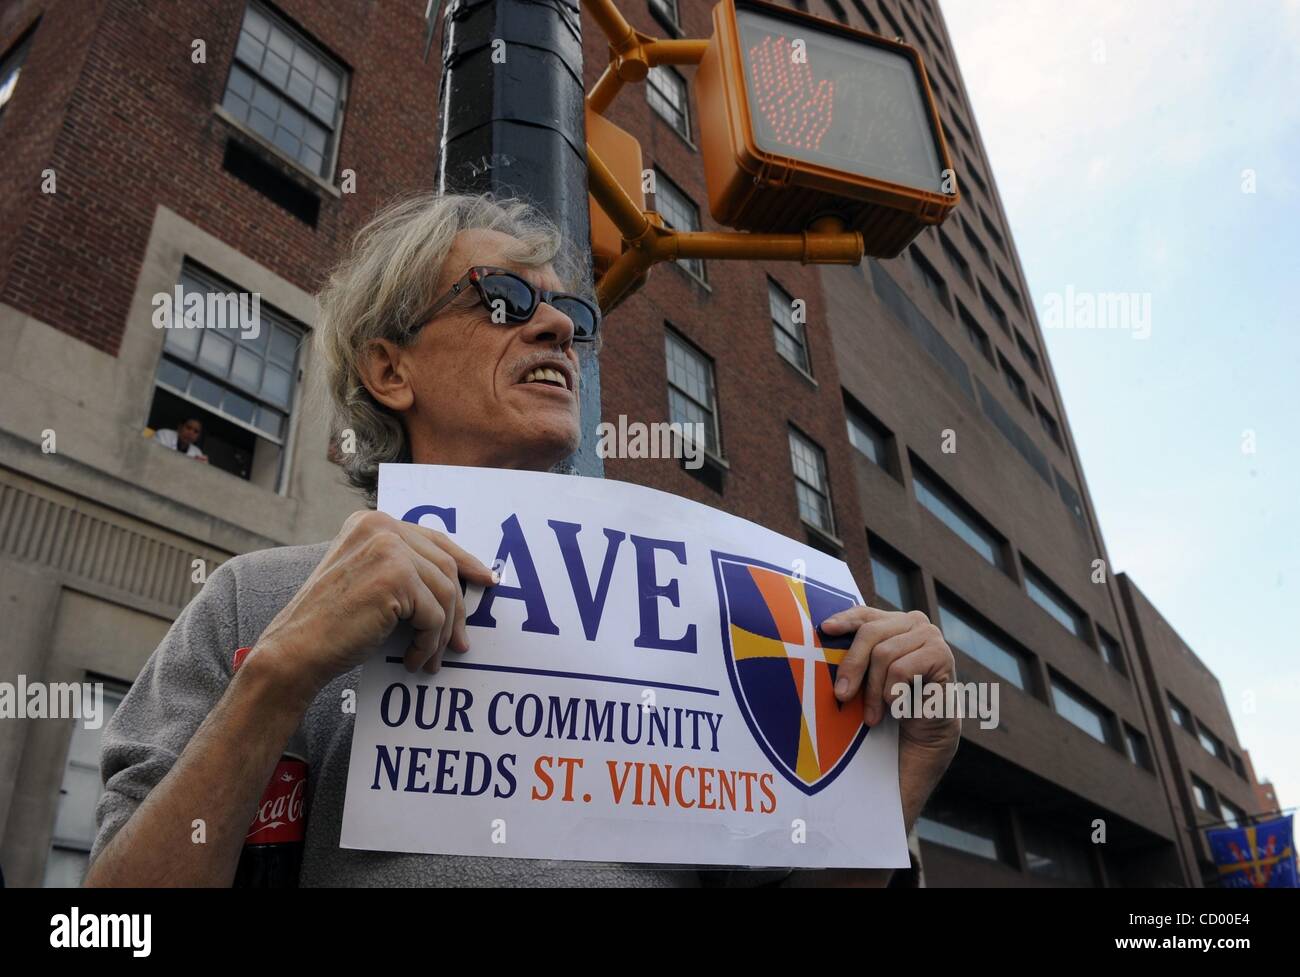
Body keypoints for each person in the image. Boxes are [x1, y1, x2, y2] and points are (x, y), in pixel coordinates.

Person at [86, 194, 959, 887]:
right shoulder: (261, 598)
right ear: (391, 370)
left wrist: (903, 773)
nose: (556, 331)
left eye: (566, 314)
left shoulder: (710, 610)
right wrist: (277, 676)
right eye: (501, 301)